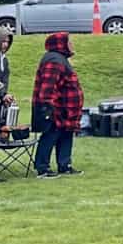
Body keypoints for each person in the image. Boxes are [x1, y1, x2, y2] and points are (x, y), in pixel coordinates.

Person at [31, 30, 84, 176]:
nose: (72, 45)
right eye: (69, 42)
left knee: (66, 135)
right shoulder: (54, 60)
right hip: (56, 108)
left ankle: (64, 165)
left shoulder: (59, 59)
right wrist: (49, 107)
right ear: (61, 44)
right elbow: (48, 86)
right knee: (50, 135)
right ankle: (43, 168)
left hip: (66, 109)